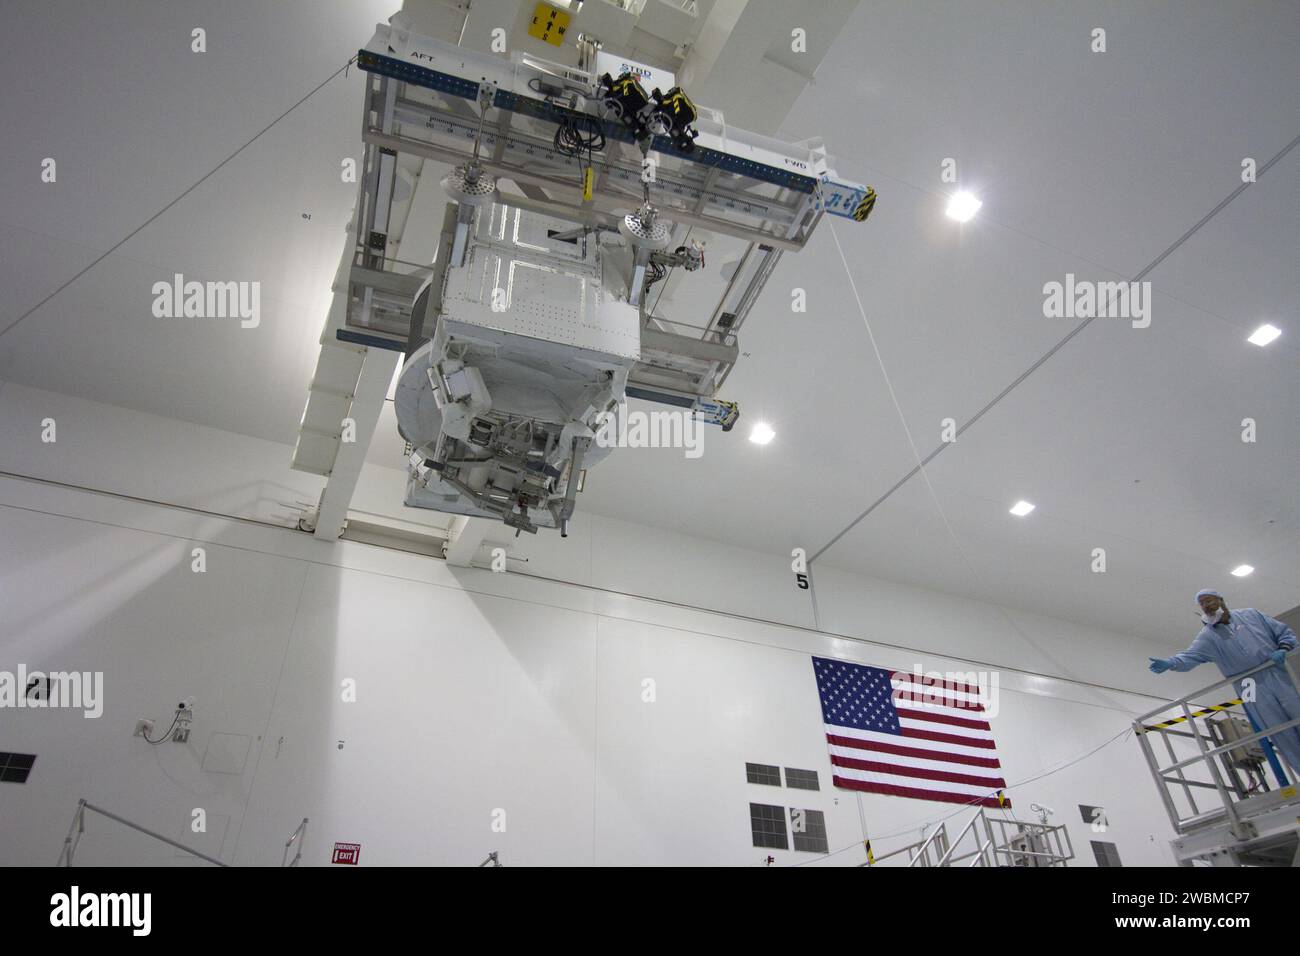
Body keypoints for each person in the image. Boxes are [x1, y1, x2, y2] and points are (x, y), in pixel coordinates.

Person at [1149, 589, 1300, 775]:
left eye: (1209, 600)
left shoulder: (1250, 615)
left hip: (1275, 671)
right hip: (1247, 685)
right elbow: (1189, 656)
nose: (1207, 605)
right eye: (1202, 603)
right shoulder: (1208, 636)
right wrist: (1170, 663)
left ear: (1221, 600)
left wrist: (1284, 648)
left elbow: (1283, 632)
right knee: (1279, 731)